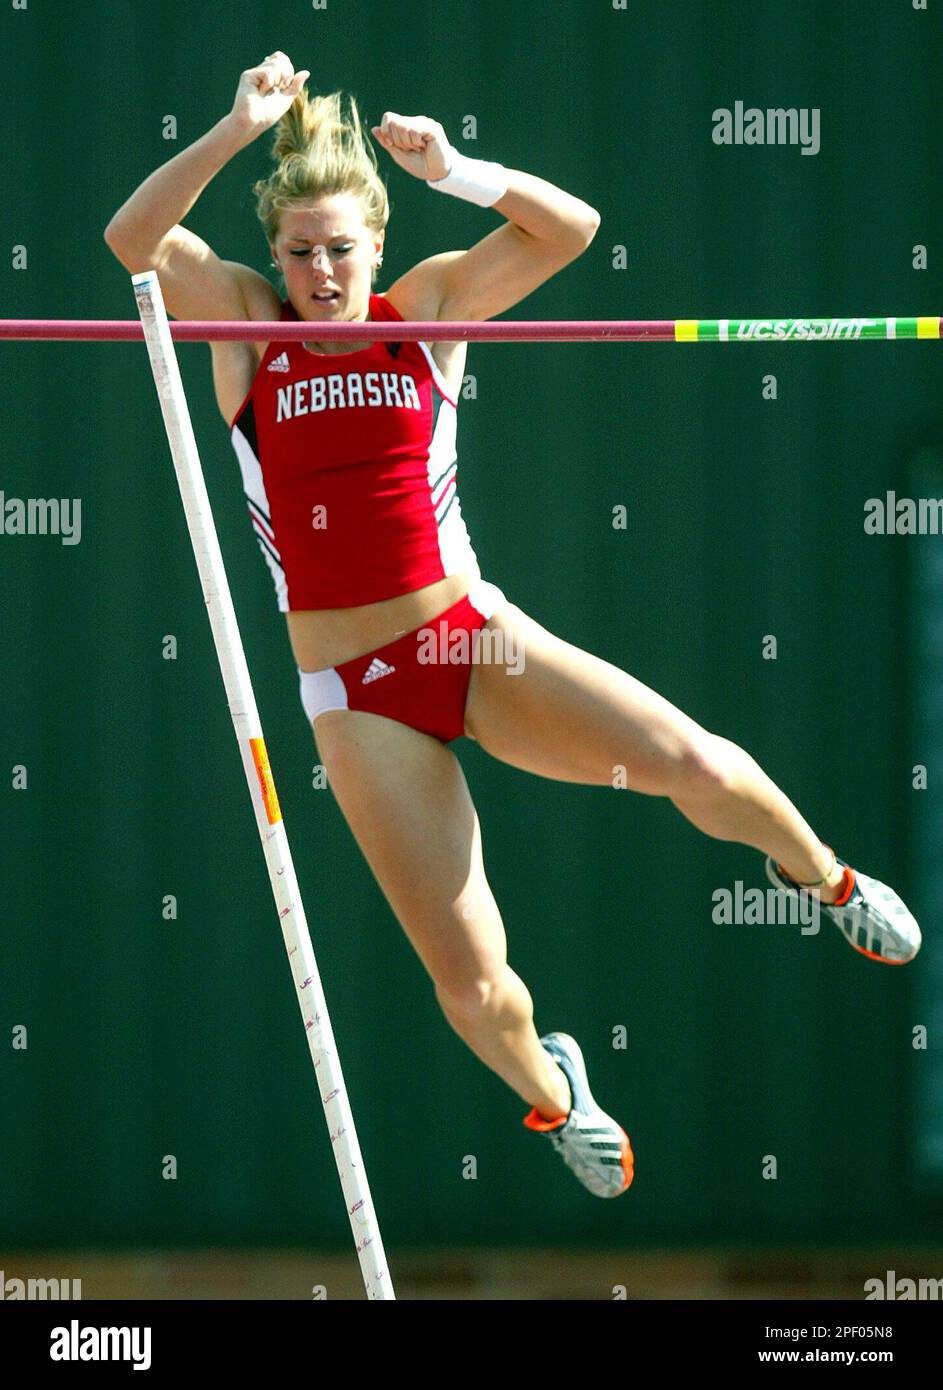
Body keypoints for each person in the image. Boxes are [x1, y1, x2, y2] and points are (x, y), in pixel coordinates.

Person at [105, 52, 921, 1201]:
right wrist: (235, 131)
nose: (322, 274)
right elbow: (131, 241)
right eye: (300, 253)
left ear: (379, 243)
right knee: (474, 983)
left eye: (341, 249)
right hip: (354, 696)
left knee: (689, 759)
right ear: (274, 257)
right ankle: (555, 1090)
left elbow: (570, 229)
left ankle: (828, 881)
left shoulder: (429, 306)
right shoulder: (244, 322)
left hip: (468, 641)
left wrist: (462, 170)